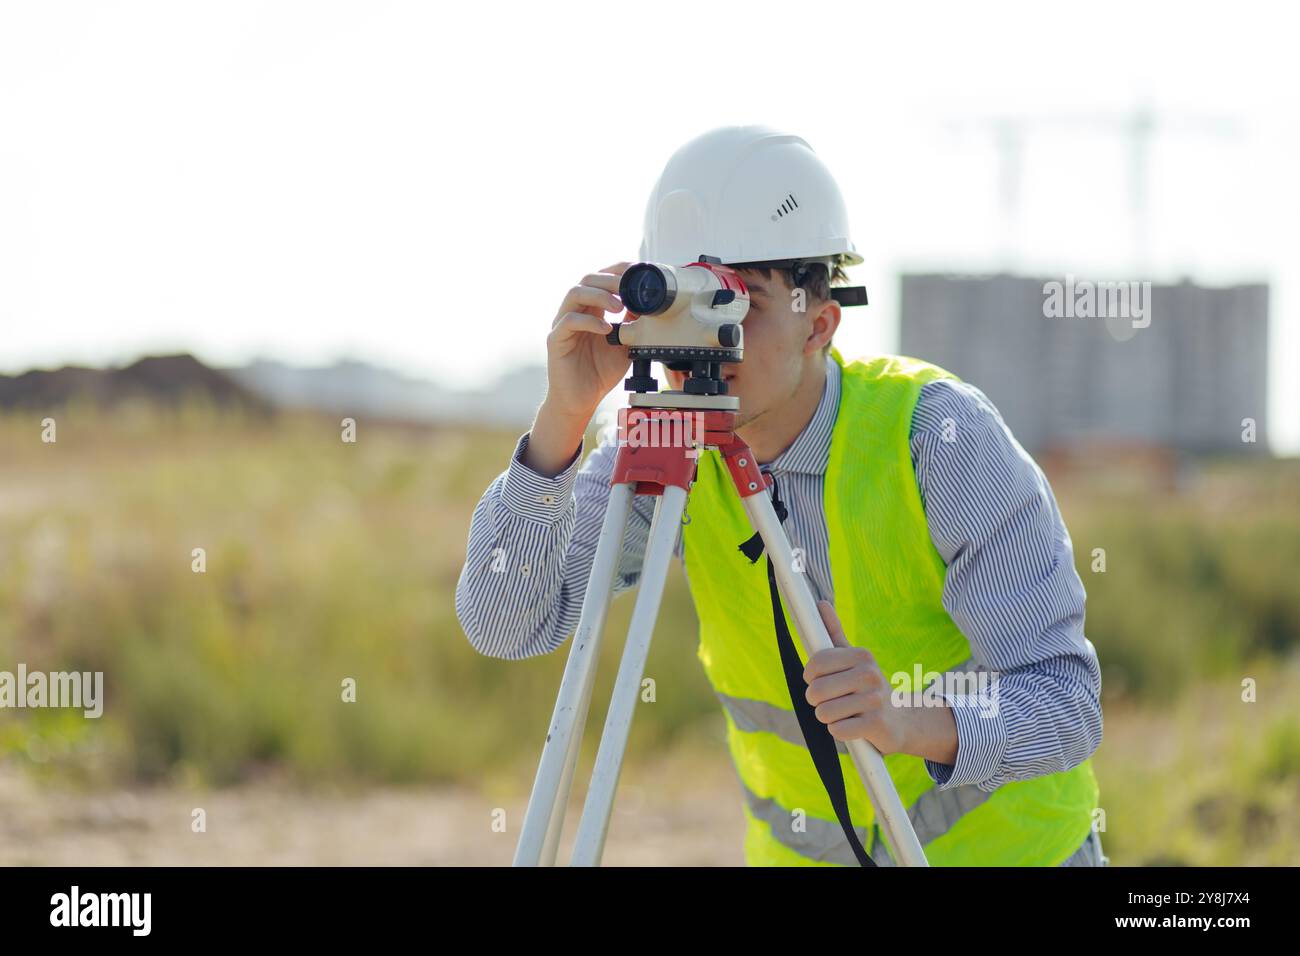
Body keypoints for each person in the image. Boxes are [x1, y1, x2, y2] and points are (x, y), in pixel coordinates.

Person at [455, 125, 1106, 866]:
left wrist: (908, 719)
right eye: (687, 298)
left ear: (819, 325)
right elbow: (507, 624)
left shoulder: (937, 437)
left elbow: (1066, 703)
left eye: (739, 301)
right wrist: (561, 421)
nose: (707, 338)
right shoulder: (664, 446)